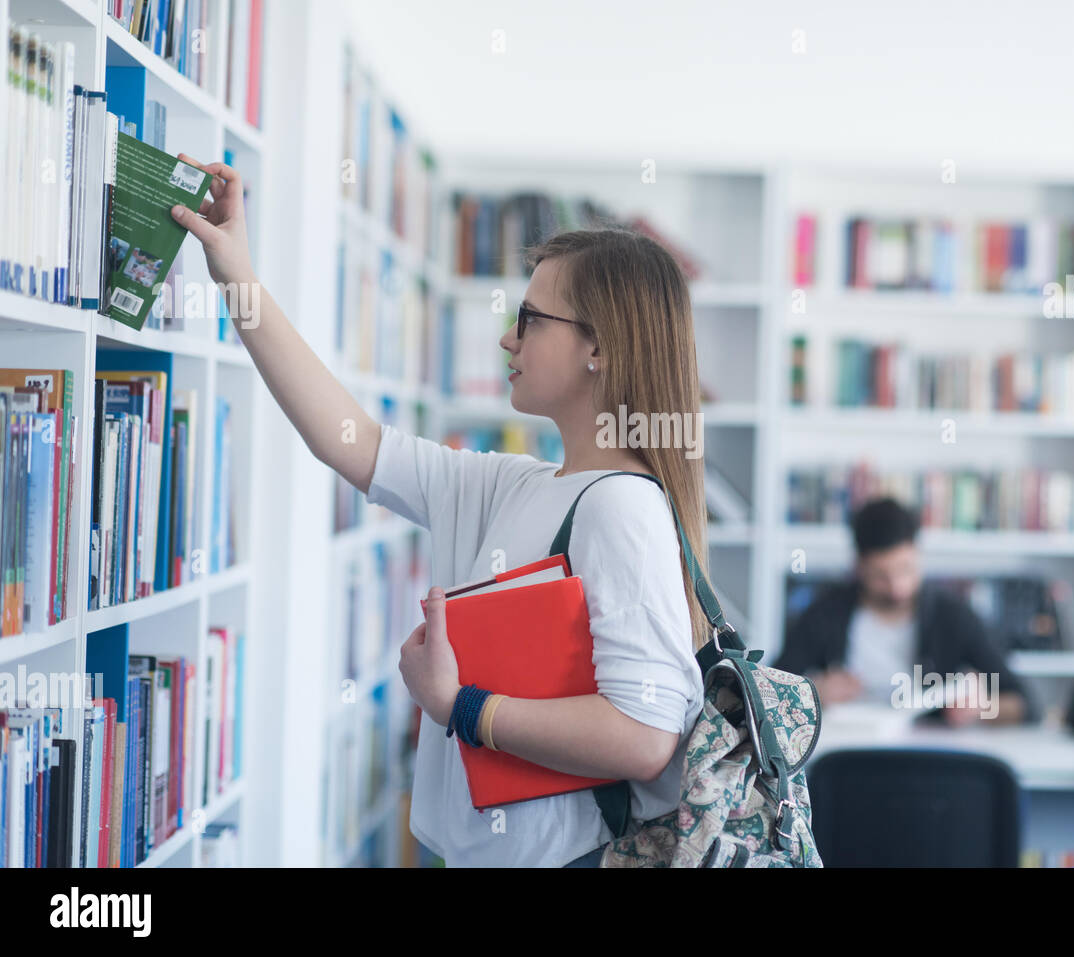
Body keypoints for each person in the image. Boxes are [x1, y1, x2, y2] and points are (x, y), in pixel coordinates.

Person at [170, 156, 707, 867]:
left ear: (598, 347)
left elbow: (645, 736)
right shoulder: (518, 484)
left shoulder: (622, 509)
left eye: (530, 319)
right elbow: (350, 440)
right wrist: (235, 273)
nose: (508, 339)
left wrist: (461, 703)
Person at [773, 497, 1040, 726]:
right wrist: (812, 694)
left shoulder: (952, 615)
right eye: (881, 576)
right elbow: (767, 696)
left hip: (927, 756)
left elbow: (1026, 704)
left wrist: (983, 708)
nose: (897, 588)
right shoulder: (825, 613)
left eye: (906, 570)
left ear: (918, 555)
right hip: (847, 753)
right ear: (859, 567)